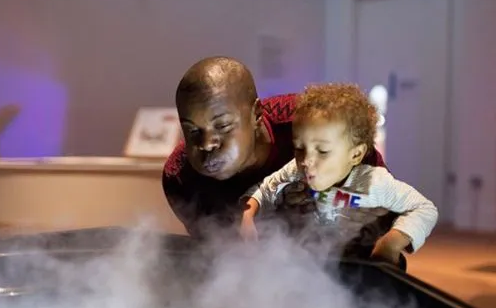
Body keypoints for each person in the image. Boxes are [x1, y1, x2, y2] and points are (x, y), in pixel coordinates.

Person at [162, 56, 386, 238]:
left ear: (257, 114)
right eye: (192, 130)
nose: (206, 144)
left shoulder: (314, 126)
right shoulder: (181, 177)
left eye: (222, 125)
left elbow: (385, 204)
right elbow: (215, 259)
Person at [240, 83, 438, 266]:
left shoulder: (374, 182)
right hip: (315, 265)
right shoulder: (296, 169)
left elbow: (424, 208)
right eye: (299, 148)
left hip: (362, 267)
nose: (306, 160)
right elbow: (266, 188)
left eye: (323, 151)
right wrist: (248, 215)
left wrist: (391, 243)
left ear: (356, 154)